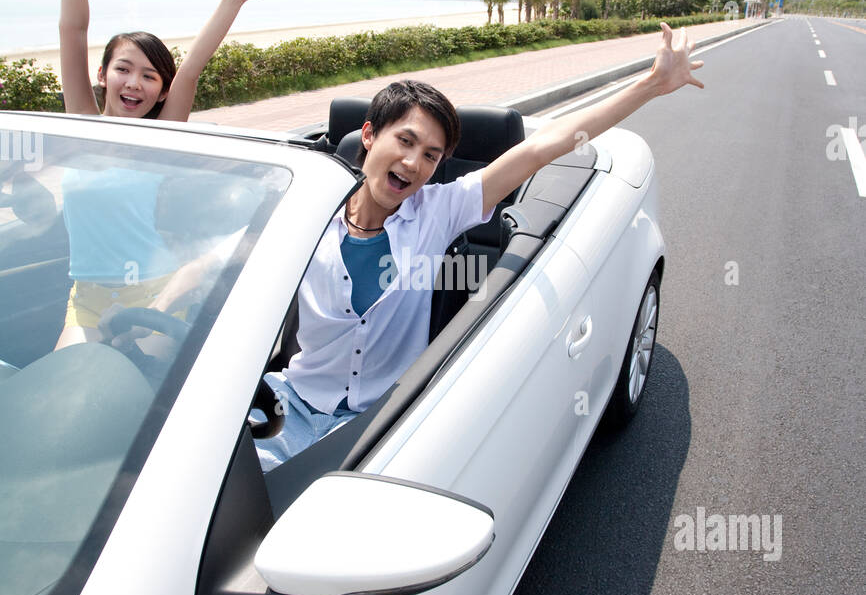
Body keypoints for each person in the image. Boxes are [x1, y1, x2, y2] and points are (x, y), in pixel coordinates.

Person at [255, 25, 704, 470]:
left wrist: (650, 85)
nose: (414, 163)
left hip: (378, 427)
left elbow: (541, 149)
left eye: (431, 155)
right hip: (288, 408)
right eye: (406, 141)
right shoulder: (308, 213)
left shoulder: (439, 210)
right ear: (370, 135)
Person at [55, 0, 295, 348]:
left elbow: (192, 66)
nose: (134, 83)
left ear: (162, 91)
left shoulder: (164, 130)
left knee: (144, 408)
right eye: (123, 69)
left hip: (159, 293)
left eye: (149, 76)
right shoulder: (82, 122)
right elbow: (73, 28)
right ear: (102, 75)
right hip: (87, 300)